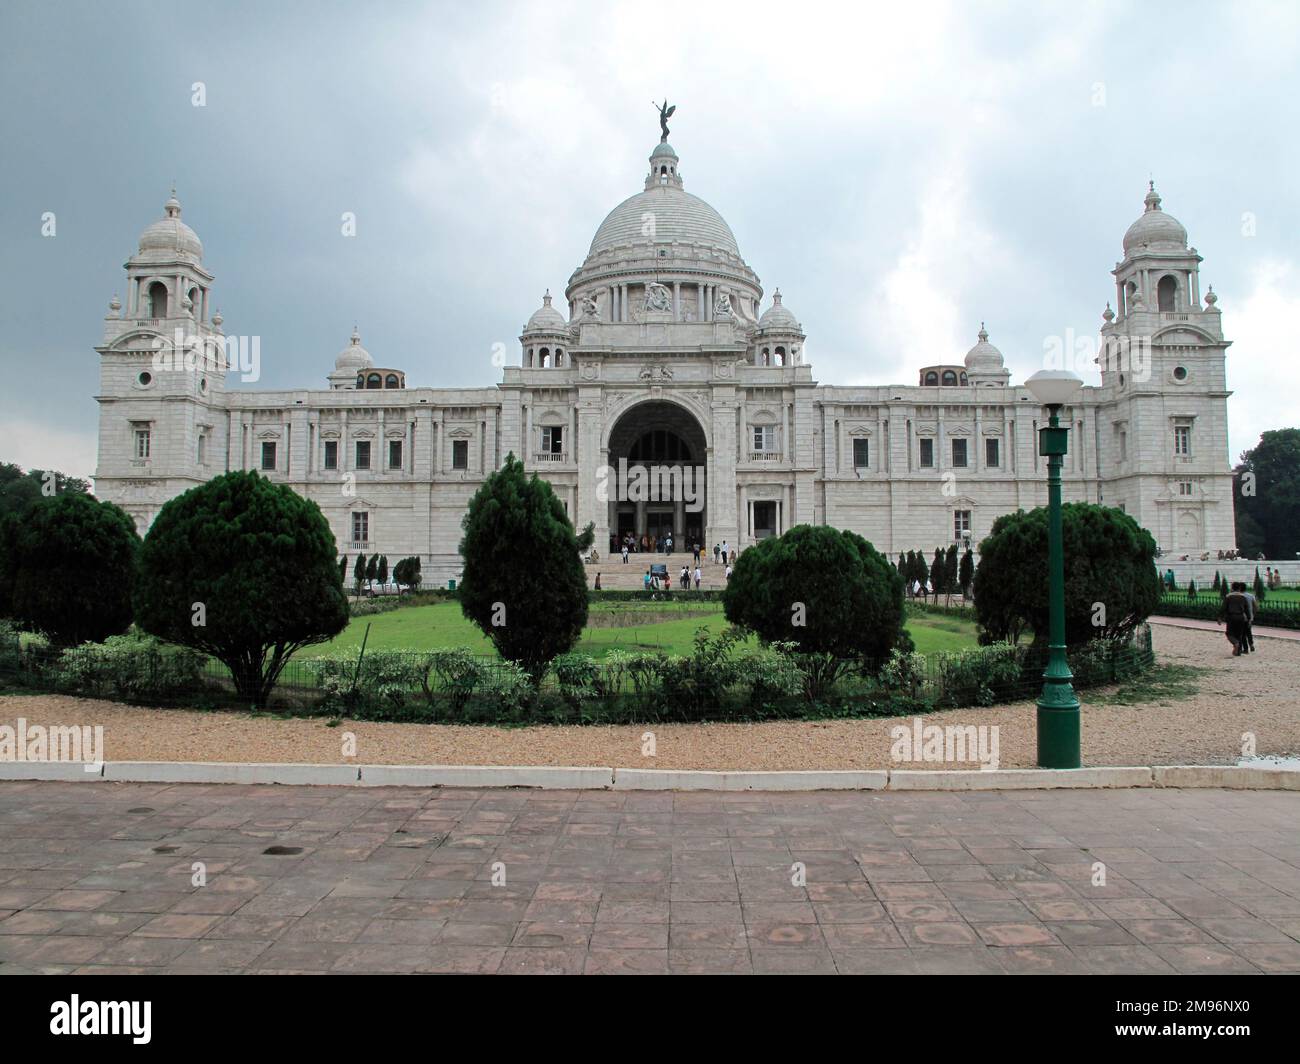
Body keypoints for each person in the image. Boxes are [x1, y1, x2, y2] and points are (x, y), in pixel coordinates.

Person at [1221, 581, 1252, 656]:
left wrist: (1220, 617)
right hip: (1241, 617)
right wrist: (1249, 619)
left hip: (1231, 617)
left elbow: (1223, 608)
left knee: (1229, 633)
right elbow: (1247, 609)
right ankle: (1238, 652)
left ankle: (1235, 643)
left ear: (1232, 588)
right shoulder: (1243, 597)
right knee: (1239, 634)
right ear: (1239, 588)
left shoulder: (1228, 596)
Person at [1242, 581, 1258, 654]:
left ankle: (1245, 649)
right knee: (1248, 632)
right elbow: (1256, 607)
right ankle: (1251, 644)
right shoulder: (1251, 596)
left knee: (1242, 633)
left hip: (1241, 616)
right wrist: (1253, 615)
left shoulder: (1239, 596)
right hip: (1250, 617)